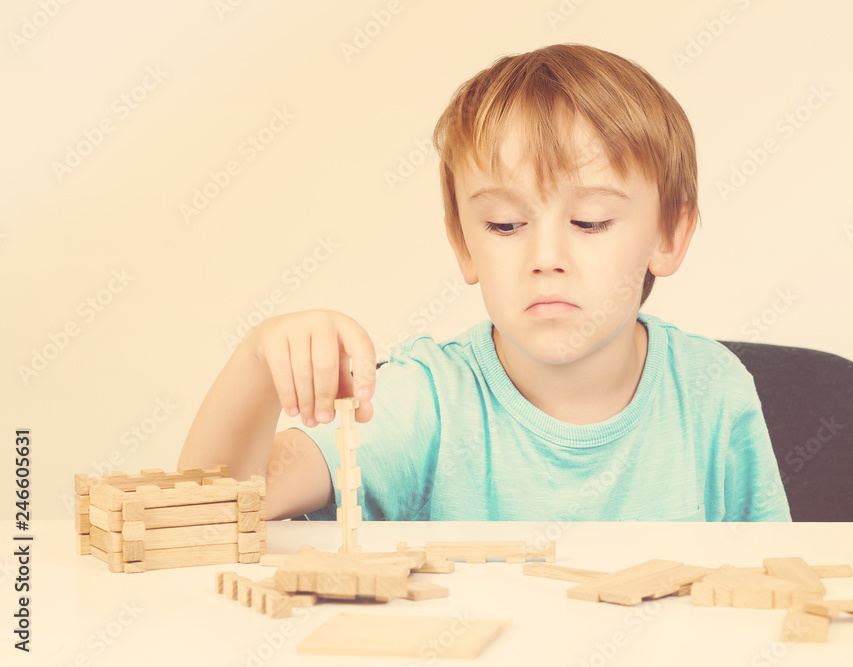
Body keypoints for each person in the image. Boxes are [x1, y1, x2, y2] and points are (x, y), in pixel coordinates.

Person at [178, 43, 791, 522]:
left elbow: (773, 590)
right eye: (504, 224)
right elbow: (206, 514)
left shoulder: (713, 393)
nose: (545, 257)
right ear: (463, 244)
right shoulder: (425, 401)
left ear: (670, 236)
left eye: (589, 221)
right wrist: (257, 360)